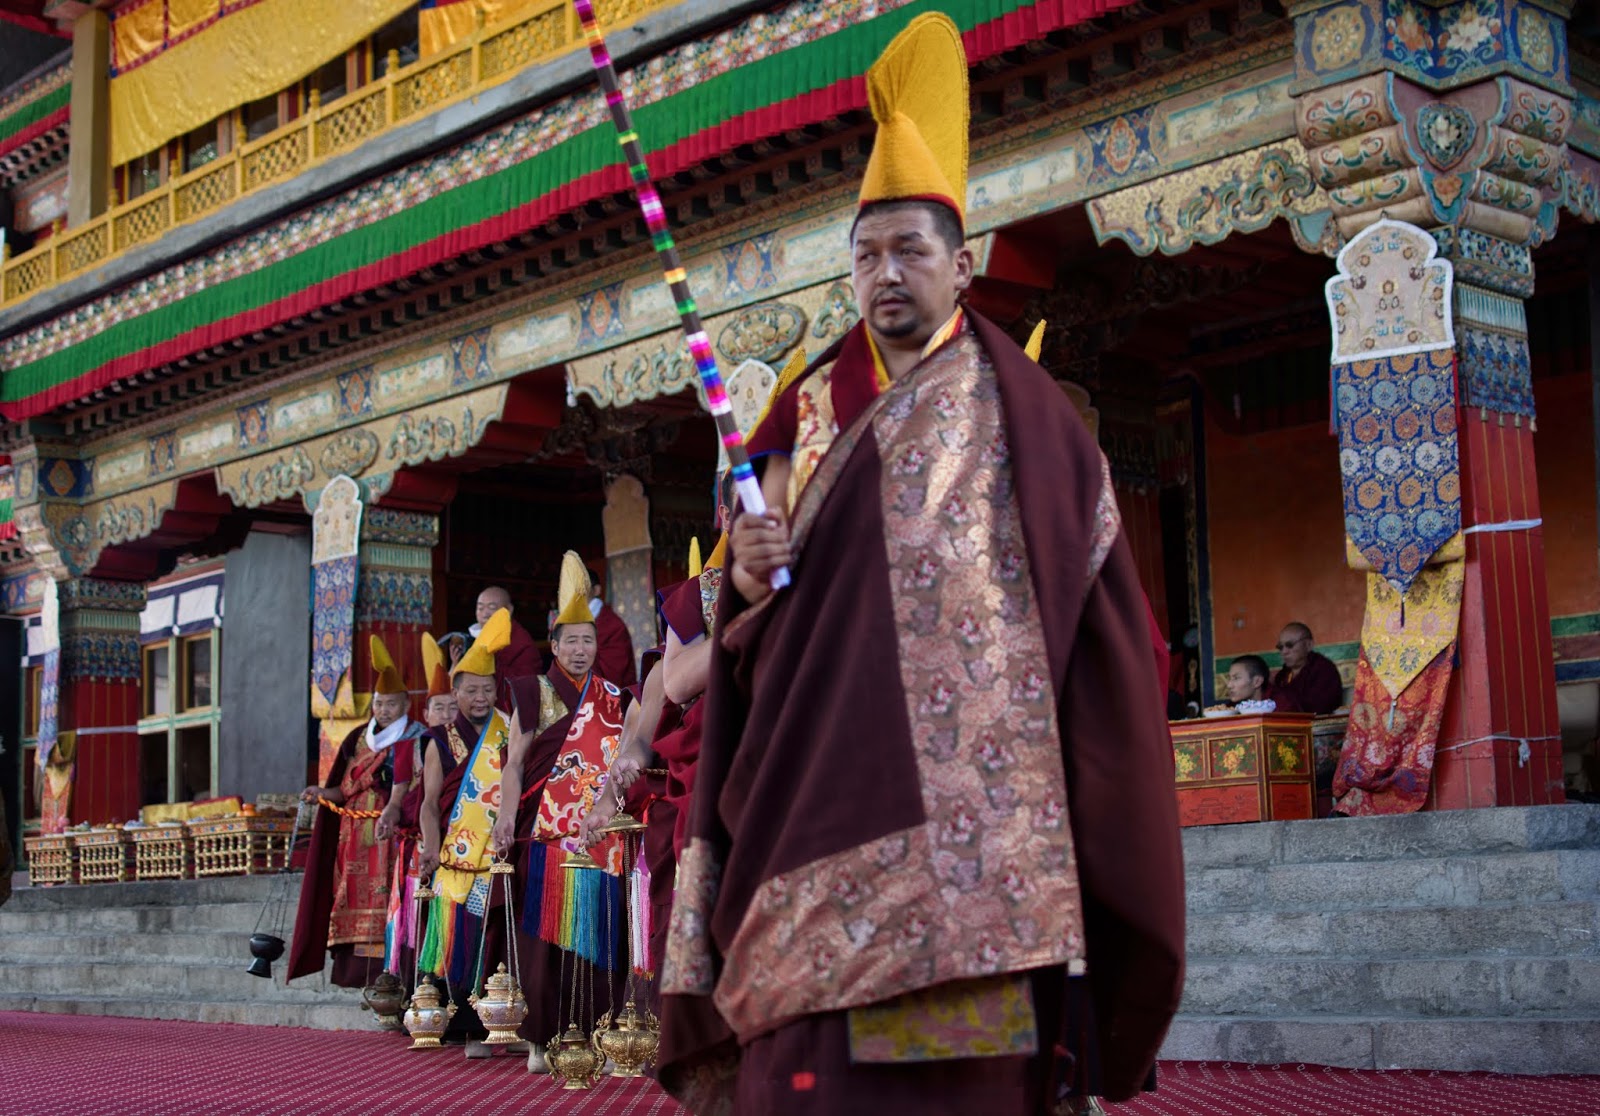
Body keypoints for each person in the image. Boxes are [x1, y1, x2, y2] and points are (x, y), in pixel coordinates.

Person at [655, 15, 1185, 1115]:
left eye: (910, 250)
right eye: (866, 254)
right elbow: (746, 611)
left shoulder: (1030, 419)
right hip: (810, 810)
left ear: (963, 262)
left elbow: (1099, 620)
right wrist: (742, 583)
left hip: (981, 847)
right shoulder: (794, 417)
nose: (885, 274)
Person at [494, 551, 633, 1071]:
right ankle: (539, 1037)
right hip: (545, 829)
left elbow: (624, 758)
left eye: (588, 641)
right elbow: (514, 765)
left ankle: (603, 1031)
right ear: (552, 645)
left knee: (601, 928)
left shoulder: (614, 697)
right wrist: (506, 817)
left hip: (599, 833)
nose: (580, 650)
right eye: (570, 641)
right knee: (544, 934)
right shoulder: (531, 691)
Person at [289, 636, 425, 988]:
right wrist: (321, 792)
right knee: (350, 894)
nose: (384, 711)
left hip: (393, 834)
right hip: (353, 839)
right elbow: (343, 787)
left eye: (392, 705)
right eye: (380, 704)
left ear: (406, 704)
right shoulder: (357, 739)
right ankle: (355, 971)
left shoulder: (417, 736)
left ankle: (395, 968)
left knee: (392, 897)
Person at [416, 611, 515, 1056]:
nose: (480, 698)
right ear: (455, 693)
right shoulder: (440, 739)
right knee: (460, 940)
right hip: (455, 859)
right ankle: (466, 1027)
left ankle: (505, 1020)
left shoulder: (507, 730)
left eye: (487, 690)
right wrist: (431, 846)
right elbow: (429, 800)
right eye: (471, 690)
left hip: (498, 853)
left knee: (498, 937)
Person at [378, 632, 459, 982]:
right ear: (425, 712)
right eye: (438, 707)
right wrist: (388, 813)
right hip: (417, 845)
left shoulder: (466, 745)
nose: (445, 713)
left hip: (458, 840)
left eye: (451, 706)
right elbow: (399, 797)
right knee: (416, 919)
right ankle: (412, 991)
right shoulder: (407, 748)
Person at [458, 586, 541, 709]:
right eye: (480, 608)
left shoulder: (520, 642)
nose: (485, 614)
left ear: (509, 609)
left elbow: (524, 689)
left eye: (492, 608)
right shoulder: (476, 637)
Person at [1272, 622, 1344, 715]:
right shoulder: (1282, 676)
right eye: (1280, 647)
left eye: (1290, 645)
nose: (1284, 651)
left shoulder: (1323, 670)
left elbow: (1319, 708)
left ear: (1308, 645)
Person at [588, 565, 639, 689]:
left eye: (580, 586)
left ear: (596, 590)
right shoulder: (573, 623)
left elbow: (613, 678)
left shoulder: (612, 625)